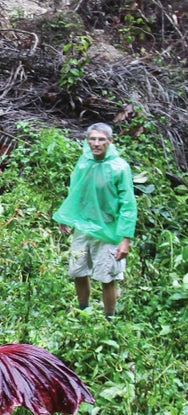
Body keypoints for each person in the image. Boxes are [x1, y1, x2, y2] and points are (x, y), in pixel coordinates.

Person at [53, 123, 137, 318]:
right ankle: (83, 313)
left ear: (110, 141)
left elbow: (128, 205)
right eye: (92, 139)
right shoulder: (84, 162)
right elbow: (76, 192)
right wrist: (65, 216)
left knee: (107, 277)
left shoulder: (119, 168)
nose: (96, 143)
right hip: (83, 228)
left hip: (109, 231)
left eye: (101, 139)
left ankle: (109, 321)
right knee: (78, 271)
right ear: (87, 140)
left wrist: (126, 239)